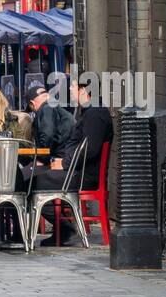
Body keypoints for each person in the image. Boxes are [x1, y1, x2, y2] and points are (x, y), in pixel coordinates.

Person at [31, 84, 114, 247]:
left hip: (82, 176)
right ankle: (60, 229)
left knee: (30, 182)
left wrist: (64, 164)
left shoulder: (96, 114)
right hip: (76, 171)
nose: (69, 89)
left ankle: (63, 228)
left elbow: (90, 149)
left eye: (73, 86)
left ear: (83, 90)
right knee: (30, 175)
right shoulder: (90, 112)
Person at [27, 82, 75, 162]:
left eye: (31, 109)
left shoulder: (46, 108)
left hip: (59, 160)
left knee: (21, 173)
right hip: (67, 157)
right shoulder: (55, 108)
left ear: (32, 104)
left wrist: (42, 159)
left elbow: (48, 136)